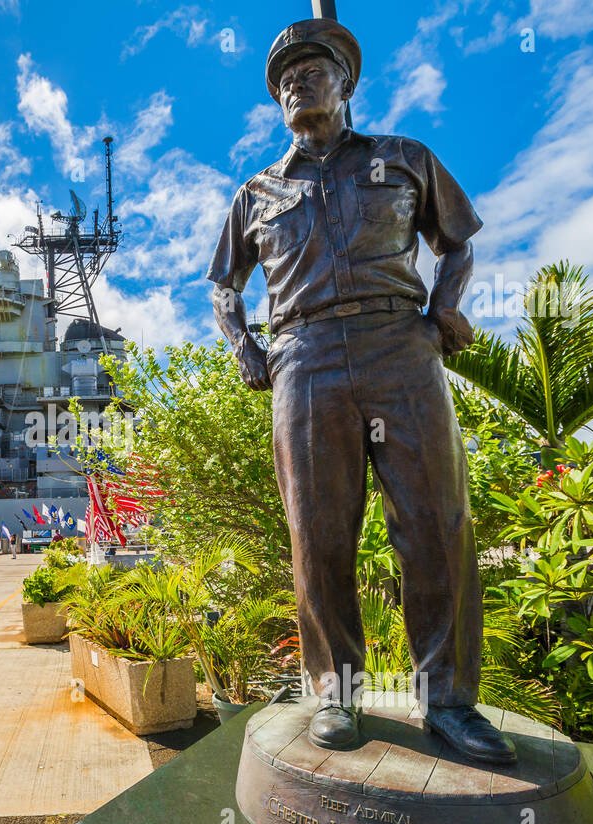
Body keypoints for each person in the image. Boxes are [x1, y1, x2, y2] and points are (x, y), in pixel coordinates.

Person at [207, 18, 514, 764]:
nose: (294, 86)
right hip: (304, 359)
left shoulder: (404, 159)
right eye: (283, 81)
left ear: (345, 85)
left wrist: (444, 307)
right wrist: (246, 344)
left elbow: (458, 239)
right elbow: (223, 283)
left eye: (311, 73)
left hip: (398, 345)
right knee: (318, 536)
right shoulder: (258, 193)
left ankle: (449, 702)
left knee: (438, 525)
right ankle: (335, 695)